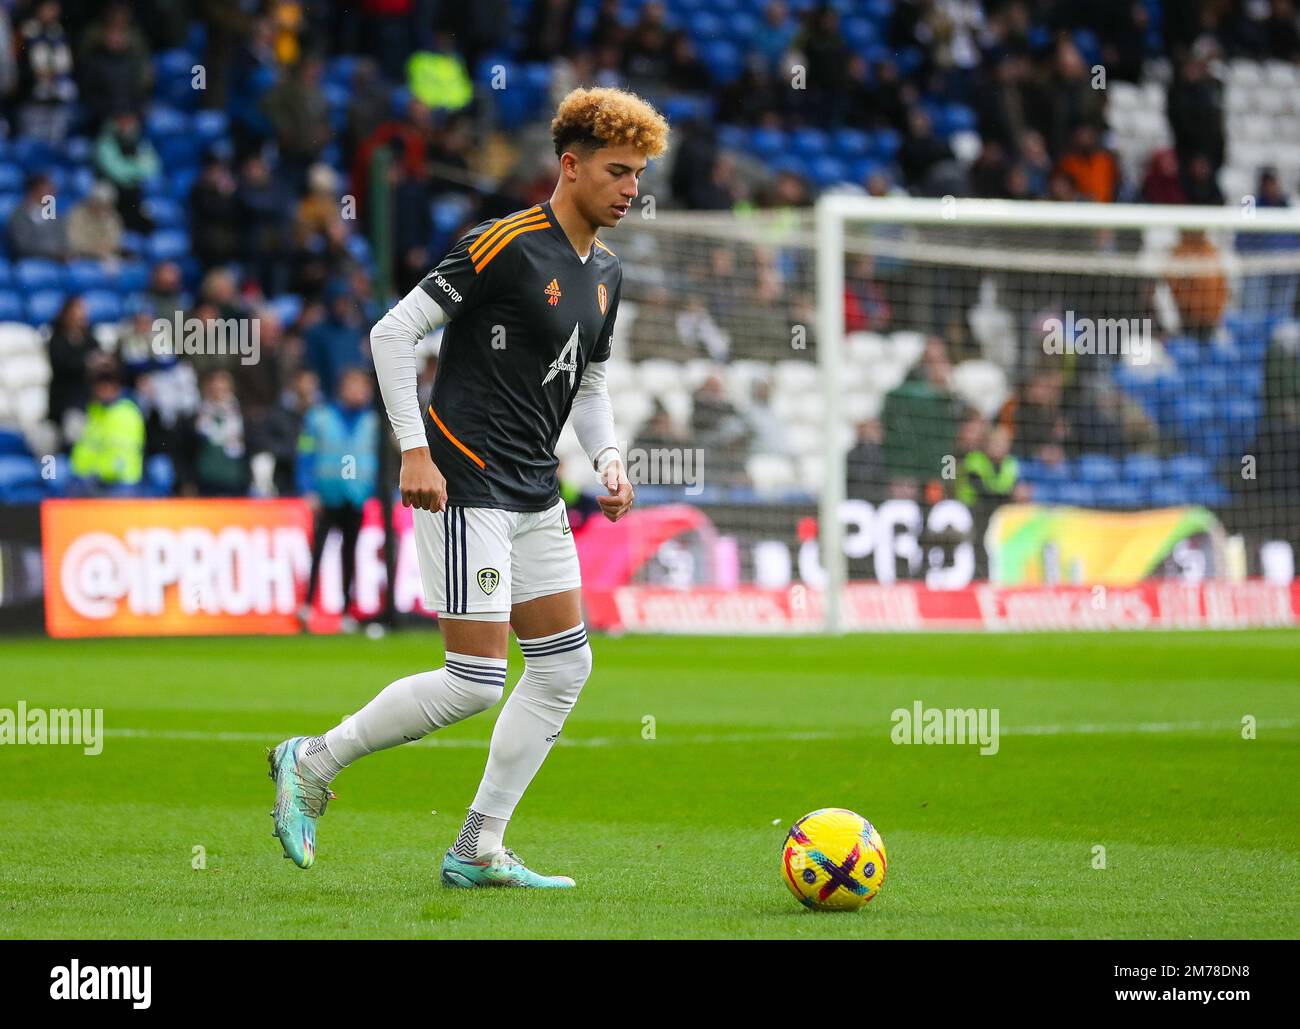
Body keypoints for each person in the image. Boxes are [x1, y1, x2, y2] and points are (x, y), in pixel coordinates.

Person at [267, 87, 668, 888]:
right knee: (476, 679)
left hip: (536, 494)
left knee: (561, 669)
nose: (632, 189)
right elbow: (392, 331)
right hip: (465, 484)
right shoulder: (504, 244)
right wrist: (414, 450)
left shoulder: (607, 274)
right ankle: (312, 759)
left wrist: (610, 459)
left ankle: (478, 846)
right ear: (570, 165)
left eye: (639, 174)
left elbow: (587, 381)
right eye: (618, 172)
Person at [297, 368, 379, 633]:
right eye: (355, 386)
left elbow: (377, 458)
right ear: (343, 388)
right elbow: (305, 454)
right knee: (318, 550)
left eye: (363, 387)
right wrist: (308, 488)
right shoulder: (319, 418)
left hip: (356, 494)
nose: (360, 392)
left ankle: (346, 611)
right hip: (327, 493)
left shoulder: (372, 421)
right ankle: (307, 605)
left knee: (350, 553)